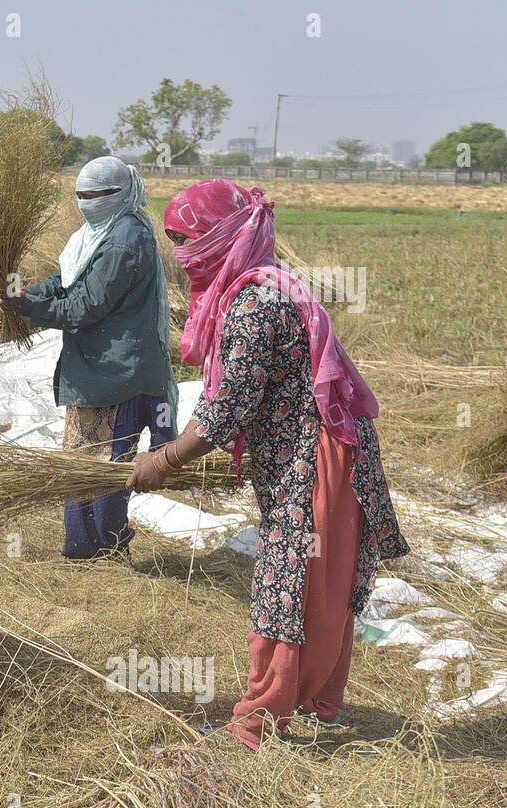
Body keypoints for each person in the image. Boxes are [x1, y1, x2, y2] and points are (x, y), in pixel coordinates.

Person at [127, 179, 409, 751]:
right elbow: (235, 397)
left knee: (285, 586)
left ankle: (256, 724)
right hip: (327, 449)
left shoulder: (253, 302)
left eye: (187, 240)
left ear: (218, 238)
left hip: (317, 459)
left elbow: (230, 407)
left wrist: (163, 460)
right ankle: (321, 702)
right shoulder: (267, 286)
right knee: (319, 582)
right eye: (174, 242)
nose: (181, 257)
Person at [0, 156, 177, 559]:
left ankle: (104, 550)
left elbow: (85, 306)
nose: (87, 202)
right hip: (97, 367)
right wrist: (28, 294)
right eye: (81, 196)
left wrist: (28, 310)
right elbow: (66, 282)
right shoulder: (95, 232)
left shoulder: (125, 238)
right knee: (82, 462)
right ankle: (84, 549)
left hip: (118, 372)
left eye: (97, 195)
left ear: (122, 193)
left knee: (105, 466)